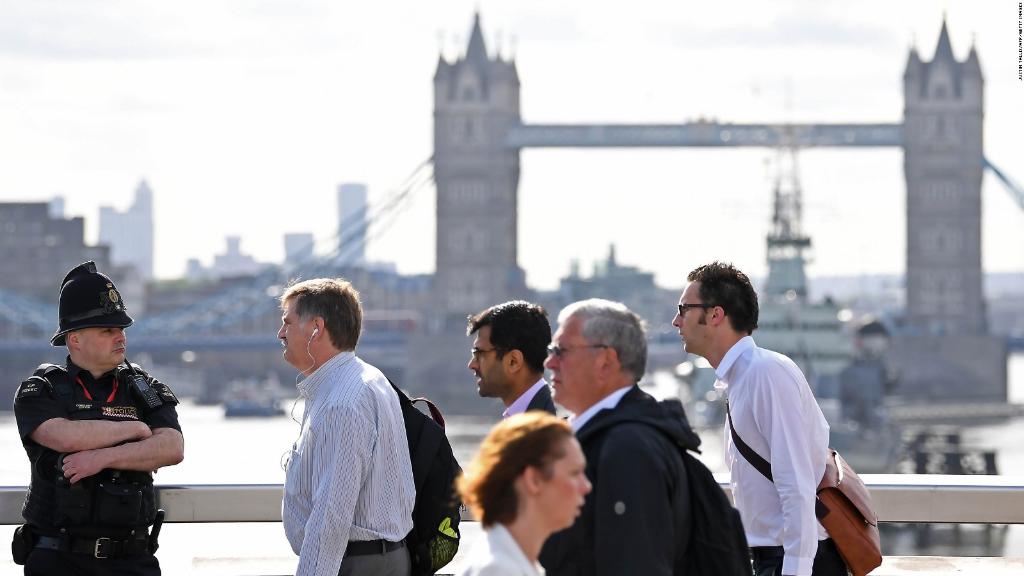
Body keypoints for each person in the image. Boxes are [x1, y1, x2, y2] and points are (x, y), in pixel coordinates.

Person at [672, 262, 846, 576]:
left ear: (715, 315)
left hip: (794, 562)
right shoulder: (743, 378)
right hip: (772, 558)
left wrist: (794, 571)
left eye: (684, 308)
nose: (676, 321)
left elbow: (796, 484)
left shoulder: (765, 374)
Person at [12, 261, 185, 575]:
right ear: (75, 338)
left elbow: (172, 447)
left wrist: (101, 458)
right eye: (108, 330)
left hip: (132, 561)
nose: (120, 337)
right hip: (58, 561)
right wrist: (137, 429)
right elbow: (63, 436)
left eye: (121, 329)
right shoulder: (42, 390)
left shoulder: (144, 389)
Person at [538, 299, 701, 576]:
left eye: (561, 350)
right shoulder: (620, 435)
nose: (549, 362)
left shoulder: (627, 449)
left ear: (605, 361)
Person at [278, 278, 415, 576]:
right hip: (385, 556)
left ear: (317, 327)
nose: (281, 333)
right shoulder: (370, 379)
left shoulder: (342, 401)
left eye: (288, 323)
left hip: (355, 562)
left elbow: (332, 516)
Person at [456, 412, 591, 576]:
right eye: (575, 473)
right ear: (533, 480)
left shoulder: (508, 558)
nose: (586, 486)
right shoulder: (500, 569)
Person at [467, 301, 555, 417]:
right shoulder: (534, 417)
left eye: (479, 353)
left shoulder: (550, 428)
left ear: (514, 361)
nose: (472, 365)